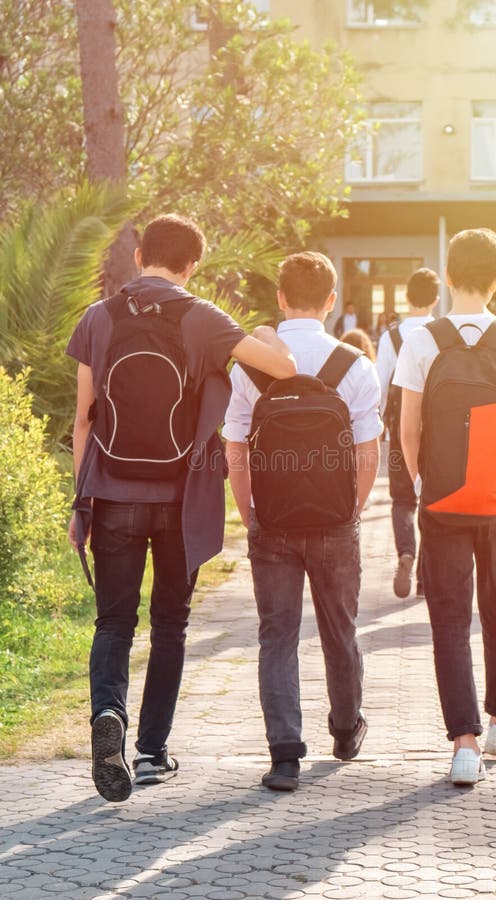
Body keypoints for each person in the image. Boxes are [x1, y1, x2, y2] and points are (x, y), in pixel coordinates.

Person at [66, 214, 296, 803]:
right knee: (171, 624)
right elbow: (282, 370)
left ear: (139, 255)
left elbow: (83, 421)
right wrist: (267, 333)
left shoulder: (98, 317)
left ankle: (107, 716)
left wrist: (80, 503)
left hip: (112, 496)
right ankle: (150, 753)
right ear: (193, 264)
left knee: (113, 623)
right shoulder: (203, 318)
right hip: (180, 501)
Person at [224, 251, 382, 792]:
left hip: (273, 522)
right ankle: (344, 730)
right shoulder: (355, 365)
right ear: (332, 301)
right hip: (337, 522)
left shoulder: (250, 367)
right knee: (341, 630)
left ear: (281, 299)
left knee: (277, 635)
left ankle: (285, 756)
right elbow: (368, 453)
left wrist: (251, 514)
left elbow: (235, 447)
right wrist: (350, 513)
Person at [394, 228, 496, 785]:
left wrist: (424, 484)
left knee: (450, 621)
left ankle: (464, 745)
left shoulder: (422, 340)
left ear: (449, 275)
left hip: (440, 503)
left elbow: (406, 430)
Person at [376, 268, 439, 598]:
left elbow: (381, 383)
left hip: (402, 428)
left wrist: (380, 426)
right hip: (442, 431)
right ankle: (425, 578)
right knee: (432, 501)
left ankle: (406, 553)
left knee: (403, 499)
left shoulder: (392, 336)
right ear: (436, 299)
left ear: (407, 297)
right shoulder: (444, 334)